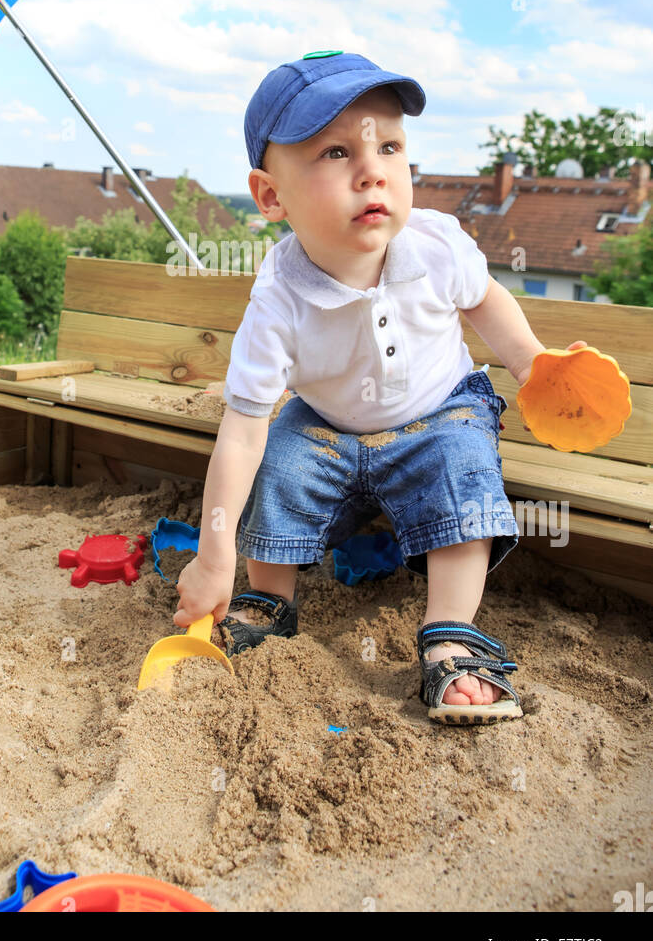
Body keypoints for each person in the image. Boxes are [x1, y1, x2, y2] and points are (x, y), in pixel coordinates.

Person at [174, 52, 586, 723]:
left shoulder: (435, 244)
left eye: (389, 146)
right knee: (280, 458)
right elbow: (242, 432)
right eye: (336, 152)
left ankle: (450, 634)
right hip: (330, 421)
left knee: (461, 462)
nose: (372, 170)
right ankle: (267, 600)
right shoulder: (278, 301)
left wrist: (531, 360)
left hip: (439, 408)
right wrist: (212, 558)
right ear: (271, 195)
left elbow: (485, 300)